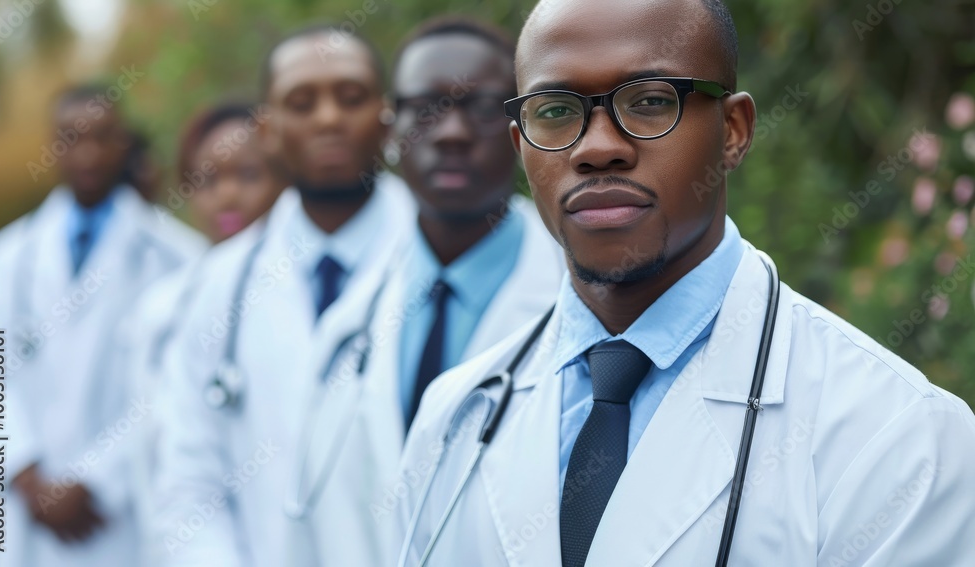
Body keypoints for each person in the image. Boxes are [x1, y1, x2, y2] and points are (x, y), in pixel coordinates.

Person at [397, 1, 975, 566]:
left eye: (650, 101)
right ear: (522, 146)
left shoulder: (902, 437)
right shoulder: (455, 417)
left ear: (733, 131)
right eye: (555, 111)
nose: (597, 148)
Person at [283, 17, 565, 566]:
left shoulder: (577, 298)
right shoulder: (349, 322)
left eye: (483, 107)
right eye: (427, 108)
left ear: (522, 129)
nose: (453, 132)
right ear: (391, 131)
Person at [150, 25, 415, 567]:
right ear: (267, 130)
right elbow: (188, 480)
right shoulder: (220, 284)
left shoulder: (441, 261)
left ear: (387, 119)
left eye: (351, 97)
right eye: (301, 102)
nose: (328, 118)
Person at [0, 83, 206, 567]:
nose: (88, 153)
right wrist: (21, 471)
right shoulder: (6, 257)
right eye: (71, 138)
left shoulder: (178, 257)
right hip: (24, 511)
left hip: (117, 510)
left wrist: (94, 482)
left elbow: (171, 390)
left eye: (102, 137)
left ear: (124, 143)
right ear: (52, 147)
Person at [110, 101, 287, 564]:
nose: (226, 196)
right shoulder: (163, 307)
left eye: (248, 175)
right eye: (207, 180)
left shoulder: (310, 294)